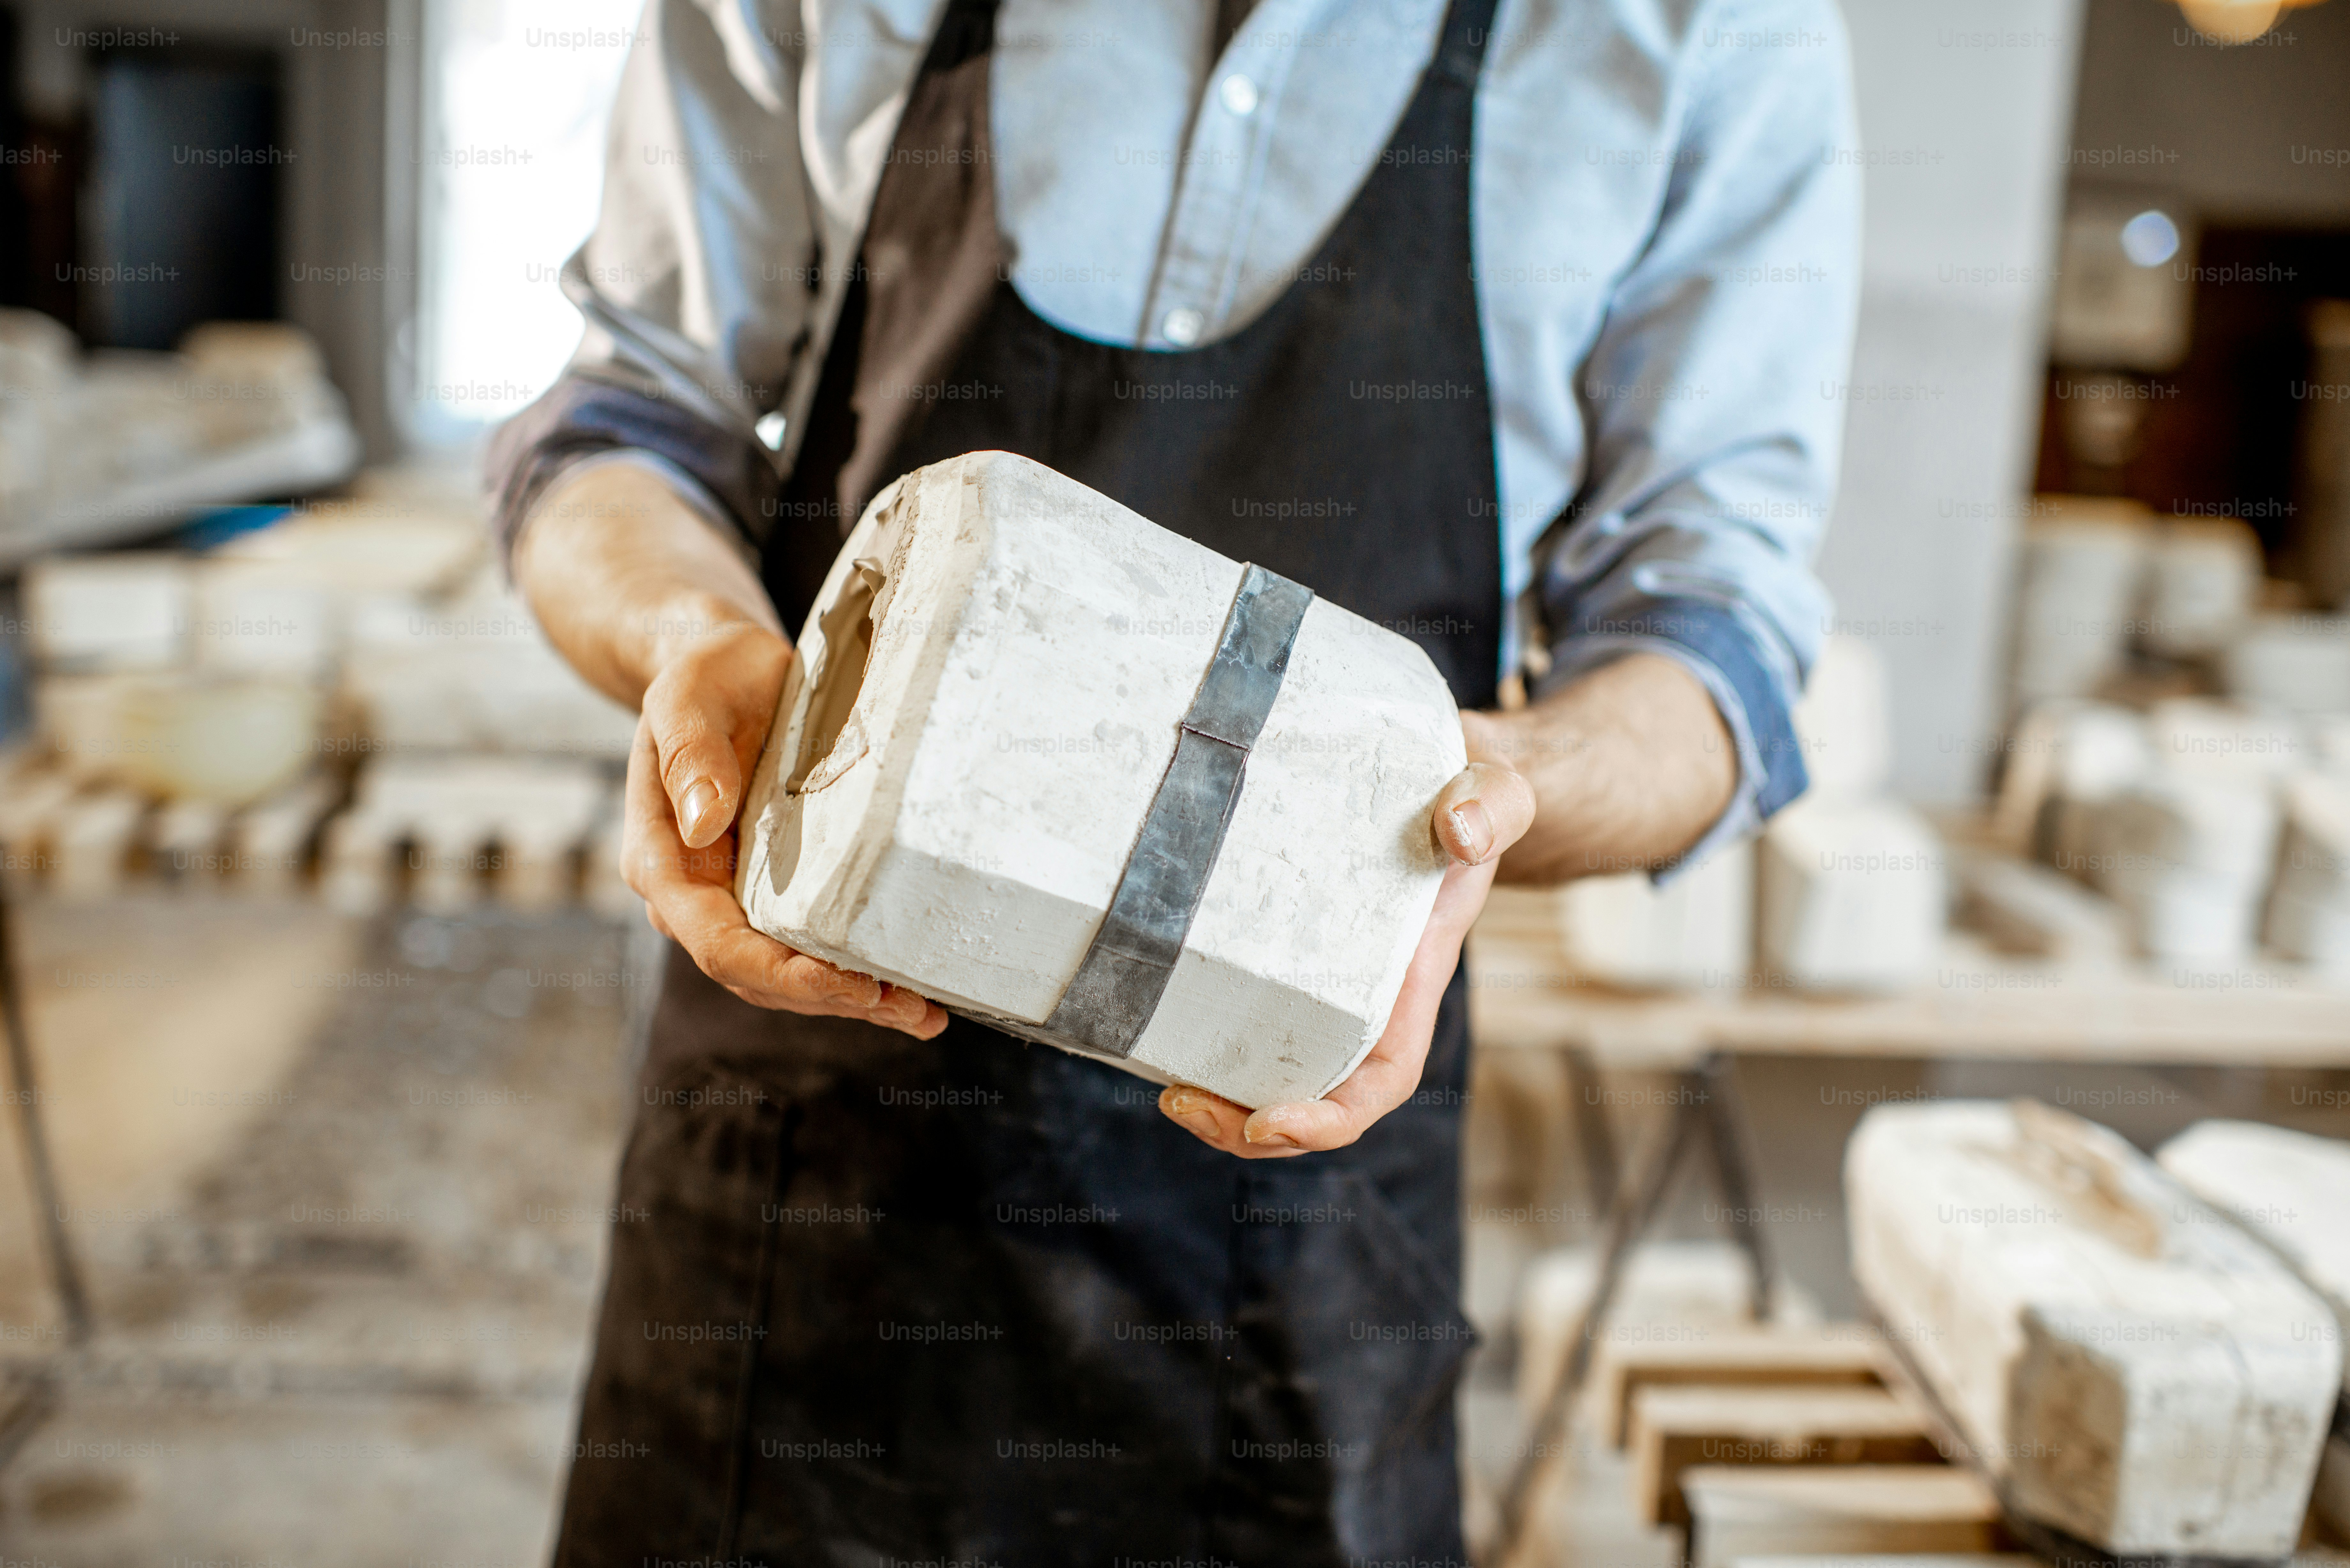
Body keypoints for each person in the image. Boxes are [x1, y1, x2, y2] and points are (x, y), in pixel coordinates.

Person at [489, 0, 1857, 1559]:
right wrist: (692, 640)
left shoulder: (1711, 29)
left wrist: (1479, 791)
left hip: (1290, 1214)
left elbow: (1715, 645)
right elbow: (622, 422)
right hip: (816, 1144)